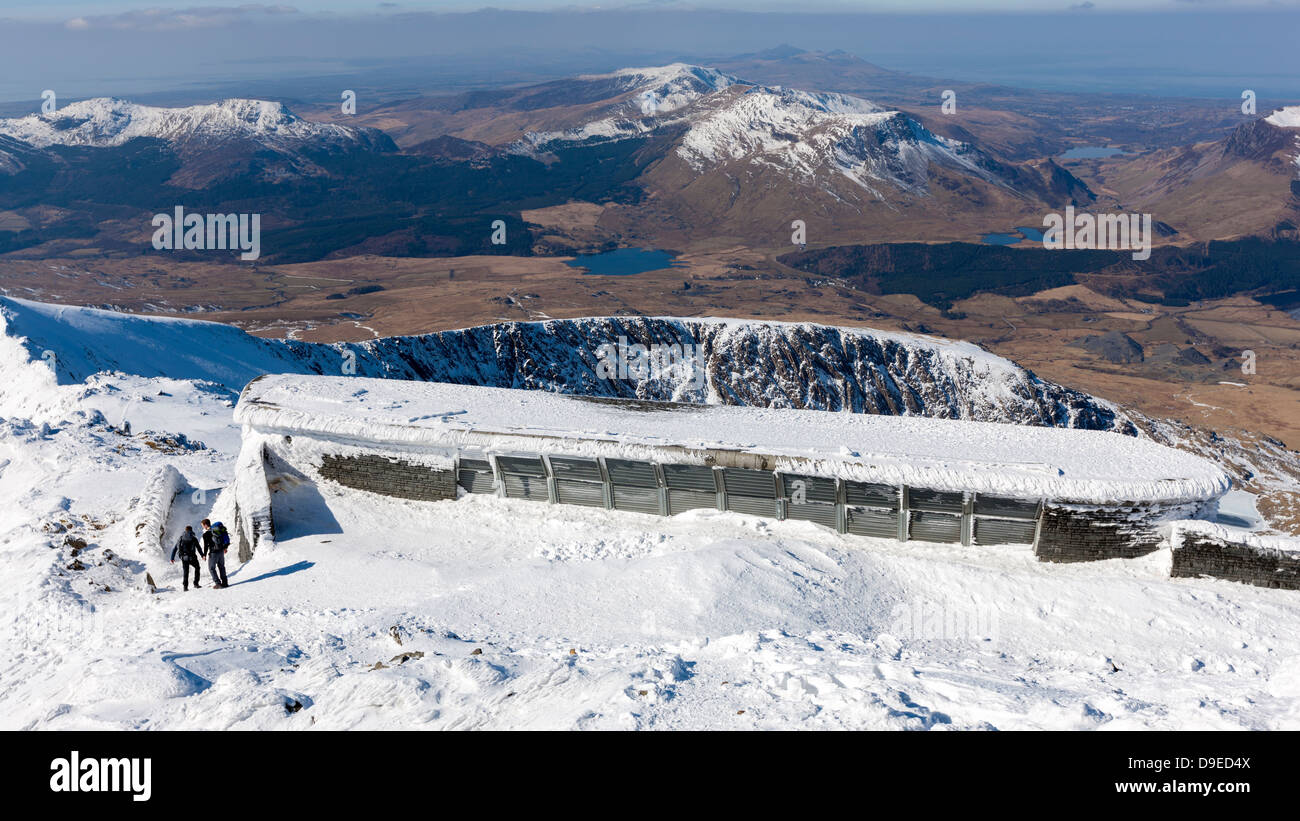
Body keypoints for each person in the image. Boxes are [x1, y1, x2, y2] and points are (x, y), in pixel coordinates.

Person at [171, 526, 202, 590]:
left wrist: (172, 558)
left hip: (184, 557)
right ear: (191, 530)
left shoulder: (181, 538)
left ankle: (185, 587)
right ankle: (196, 583)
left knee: (186, 572)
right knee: (197, 568)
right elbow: (198, 548)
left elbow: (175, 548)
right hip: (192, 557)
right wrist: (202, 555)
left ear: (185, 530)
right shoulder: (193, 538)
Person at [201, 518, 229, 588]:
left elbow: (206, 546)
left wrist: (204, 555)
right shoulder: (217, 530)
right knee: (221, 567)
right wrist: (225, 547)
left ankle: (218, 583)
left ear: (205, 525)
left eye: (202, 525)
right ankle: (225, 583)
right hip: (221, 551)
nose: (203, 527)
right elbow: (223, 539)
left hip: (213, 553)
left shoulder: (206, 534)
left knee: (211, 568)